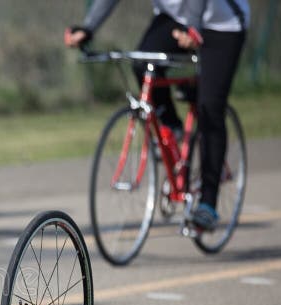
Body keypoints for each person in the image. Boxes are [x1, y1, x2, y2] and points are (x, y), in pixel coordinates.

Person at [65, 0, 249, 231]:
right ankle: (174, 128)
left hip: (222, 24)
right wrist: (88, 27)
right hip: (175, 19)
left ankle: (208, 204)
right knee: (142, 65)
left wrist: (193, 27)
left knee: (210, 106)